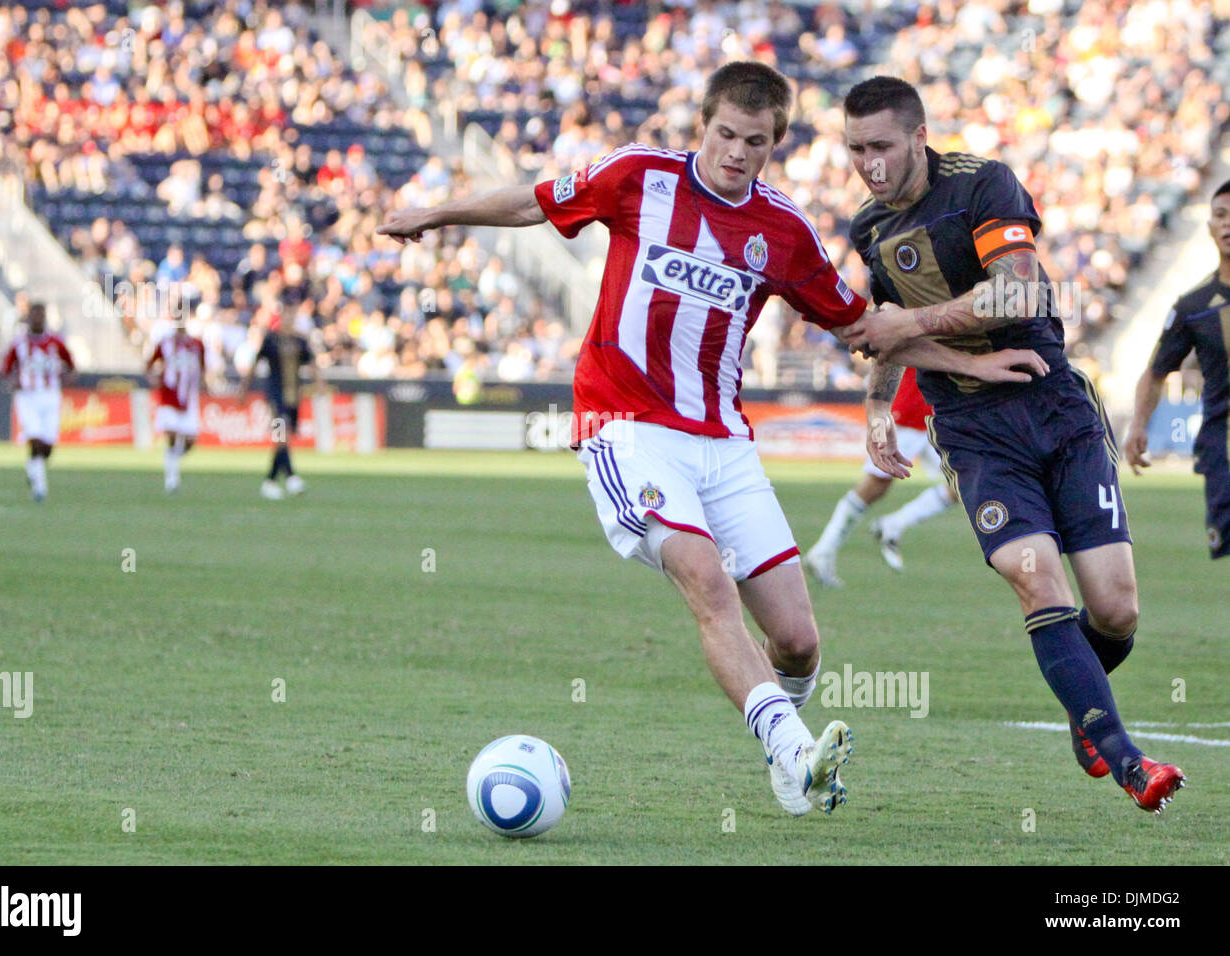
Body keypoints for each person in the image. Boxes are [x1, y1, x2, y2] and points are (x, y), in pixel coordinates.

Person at [379, 61, 1049, 816]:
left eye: (754, 141)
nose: (736, 151)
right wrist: (437, 213)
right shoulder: (638, 176)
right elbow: (535, 204)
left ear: (775, 144)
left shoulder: (784, 231)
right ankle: (795, 751)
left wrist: (970, 361)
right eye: (725, 133)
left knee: (797, 641)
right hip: (625, 427)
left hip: (723, 442)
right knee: (704, 576)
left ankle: (782, 747)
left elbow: (864, 329)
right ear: (704, 124)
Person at [839, 75, 1185, 812]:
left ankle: (1081, 708)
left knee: (1117, 610)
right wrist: (877, 412)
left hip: (1055, 405)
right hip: (974, 431)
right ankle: (1127, 759)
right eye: (855, 149)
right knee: (1036, 577)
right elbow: (884, 336)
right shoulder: (868, 229)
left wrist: (912, 327)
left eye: (882, 147)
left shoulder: (983, 185)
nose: (868, 164)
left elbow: (1020, 291)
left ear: (918, 138)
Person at [1124, 178, 1230, 559]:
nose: (1227, 223)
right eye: (1220, 215)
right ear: (1209, 227)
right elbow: (1156, 372)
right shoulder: (1194, 307)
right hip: (1223, 456)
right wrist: (1138, 425)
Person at [805, 366, 957, 586]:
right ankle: (823, 549)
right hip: (908, 409)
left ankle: (894, 524)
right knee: (876, 483)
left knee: (962, 483)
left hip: (935, 412)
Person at [236, 313, 321, 500]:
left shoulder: (300, 342)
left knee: (284, 438)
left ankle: (270, 482)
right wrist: (244, 388)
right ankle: (291, 477)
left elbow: (312, 363)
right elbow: (254, 363)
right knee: (281, 437)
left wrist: (319, 383)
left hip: (294, 396)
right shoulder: (271, 341)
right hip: (275, 395)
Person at [0, 302, 74, 503]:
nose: (37, 318)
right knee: (35, 439)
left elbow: (71, 365)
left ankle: (33, 467)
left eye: (40, 315)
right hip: (28, 397)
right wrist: (12, 381)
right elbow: (5, 369)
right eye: (34, 314)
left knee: (47, 447)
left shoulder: (55, 342)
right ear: (28, 317)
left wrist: (68, 378)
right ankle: (40, 488)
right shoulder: (19, 343)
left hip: (50, 395)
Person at [146, 312, 206, 494]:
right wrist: (152, 379)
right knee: (171, 436)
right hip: (169, 396)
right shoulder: (165, 343)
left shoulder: (196, 344)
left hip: (189, 397)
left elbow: (203, 368)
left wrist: (203, 383)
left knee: (189, 441)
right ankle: (172, 480)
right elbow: (149, 364)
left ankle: (171, 459)